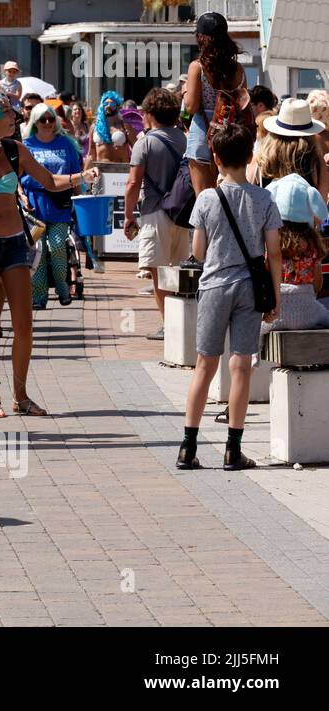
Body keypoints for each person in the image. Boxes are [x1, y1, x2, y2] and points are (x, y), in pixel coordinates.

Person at [0, 86, 99, 419]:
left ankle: (21, 395)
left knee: (25, 325)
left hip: (16, 242)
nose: (15, 117)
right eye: (6, 112)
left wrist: (80, 177)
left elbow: (48, 180)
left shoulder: (16, 149)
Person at [179, 123, 280, 472]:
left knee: (204, 366)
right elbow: (274, 254)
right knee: (241, 367)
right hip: (250, 288)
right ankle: (233, 450)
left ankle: (188, 447)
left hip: (214, 285)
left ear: (217, 159)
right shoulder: (264, 199)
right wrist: (275, 297)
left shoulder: (206, 197)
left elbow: (199, 251)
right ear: (251, 156)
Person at [125, 87, 192, 335]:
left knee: (159, 274)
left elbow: (133, 183)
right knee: (178, 272)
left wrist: (130, 215)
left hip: (155, 213)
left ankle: (169, 326)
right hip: (182, 213)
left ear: (151, 114)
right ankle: (183, 324)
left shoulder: (146, 142)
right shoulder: (185, 139)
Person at [21, 102, 84, 311]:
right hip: (34, 204)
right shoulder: (26, 145)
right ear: (35, 122)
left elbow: (75, 174)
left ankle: (62, 287)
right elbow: (18, 177)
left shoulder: (67, 144)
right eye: (42, 120)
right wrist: (21, 197)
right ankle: (39, 296)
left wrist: (80, 199)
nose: (47, 123)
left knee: (58, 246)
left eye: (50, 119)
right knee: (38, 252)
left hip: (59, 203)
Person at [183, 12, 249, 196]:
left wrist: (184, 113)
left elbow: (190, 107)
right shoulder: (238, 70)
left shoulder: (198, 67)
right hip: (231, 134)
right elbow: (243, 103)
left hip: (203, 133)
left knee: (203, 196)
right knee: (232, 194)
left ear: (201, 37)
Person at [261, 174, 329, 333]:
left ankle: (254, 357)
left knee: (252, 327)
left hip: (275, 313)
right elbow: (317, 286)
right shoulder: (313, 244)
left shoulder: (271, 242)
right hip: (308, 313)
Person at [253, 98, 329, 199]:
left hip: (269, 213)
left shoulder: (264, 157)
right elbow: (321, 205)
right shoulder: (316, 160)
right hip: (306, 215)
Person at [87, 90, 133, 164]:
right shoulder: (94, 127)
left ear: (117, 106)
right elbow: (91, 152)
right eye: (105, 103)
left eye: (112, 104)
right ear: (102, 106)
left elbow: (136, 148)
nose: (108, 106)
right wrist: (86, 171)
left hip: (122, 170)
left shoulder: (124, 126)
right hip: (101, 170)